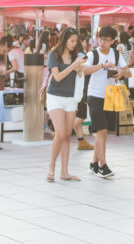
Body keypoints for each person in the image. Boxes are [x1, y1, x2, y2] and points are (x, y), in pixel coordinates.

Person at [83, 25, 129, 178]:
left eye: (106, 40)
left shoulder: (116, 54)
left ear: (113, 41)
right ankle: (103, 165)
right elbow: (84, 70)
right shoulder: (92, 54)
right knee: (101, 130)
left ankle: (94, 164)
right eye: (100, 40)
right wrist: (102, 65)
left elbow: (128, 72)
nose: (102, 43)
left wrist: (121, 72)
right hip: (94, 95)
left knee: (102, 132)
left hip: (110, 95)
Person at [45, 28, 86, 182]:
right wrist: (74, 65)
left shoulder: (76, 56)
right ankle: (51, 166)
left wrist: (80, 69)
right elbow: (57, 77)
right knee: (61, 133)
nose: (75, 44)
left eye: (76, 41)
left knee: (67, 136)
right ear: (64, 40)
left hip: (71, 98)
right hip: (55, 97)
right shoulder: (54, 55)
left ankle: (64, 172)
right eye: (72, 41)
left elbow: (80, 74)